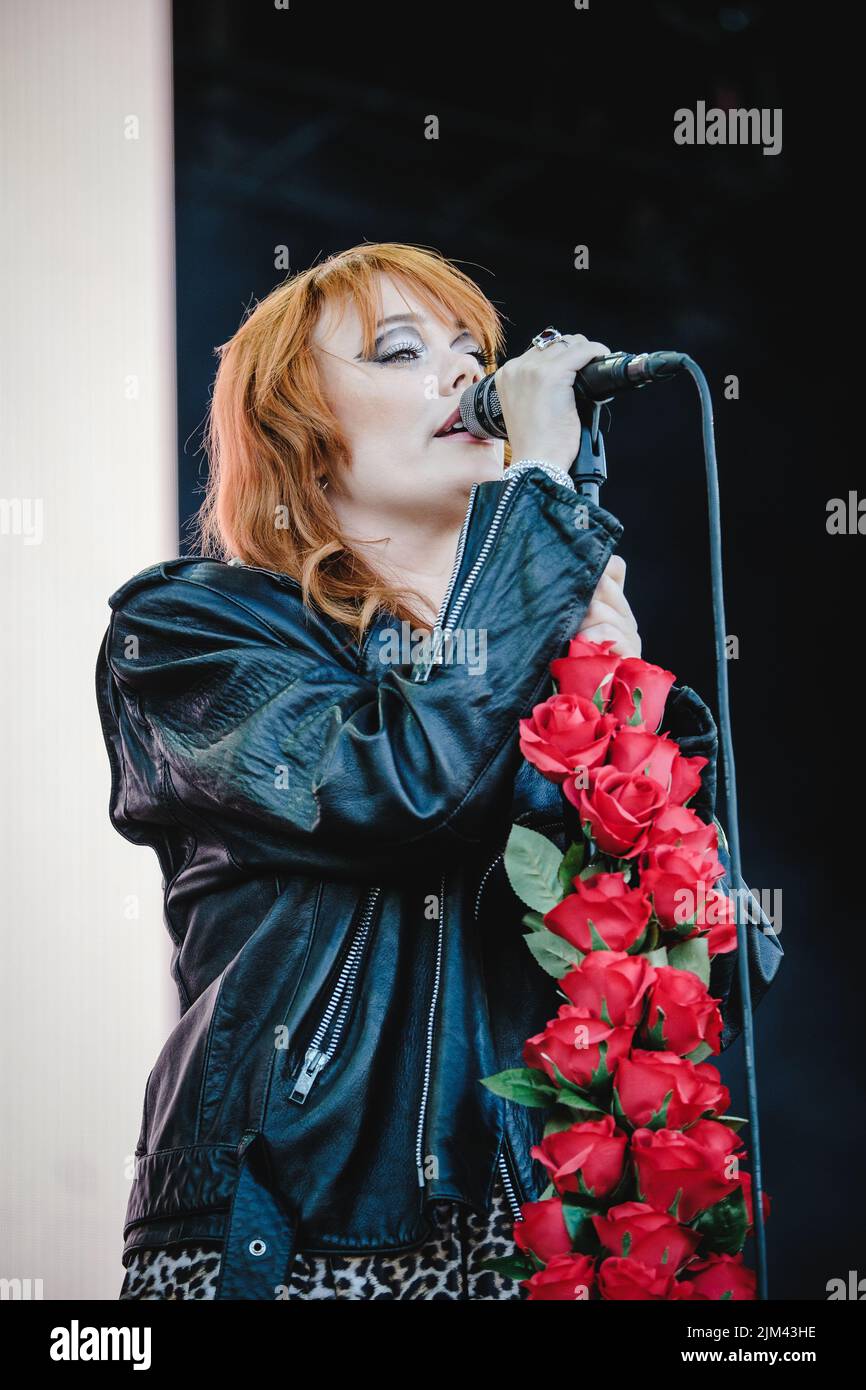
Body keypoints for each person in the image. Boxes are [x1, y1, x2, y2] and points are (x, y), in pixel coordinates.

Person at [96, 242, 782, 1300]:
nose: (463, 375)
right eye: (400, 351)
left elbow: (705, 976)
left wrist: (622, 703)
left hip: (533, 1246)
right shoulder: (189, 630)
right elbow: (403, 786)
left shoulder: (546, 659)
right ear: (301, 436)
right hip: (293, 1235)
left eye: (474, 349)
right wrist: (540, 505)